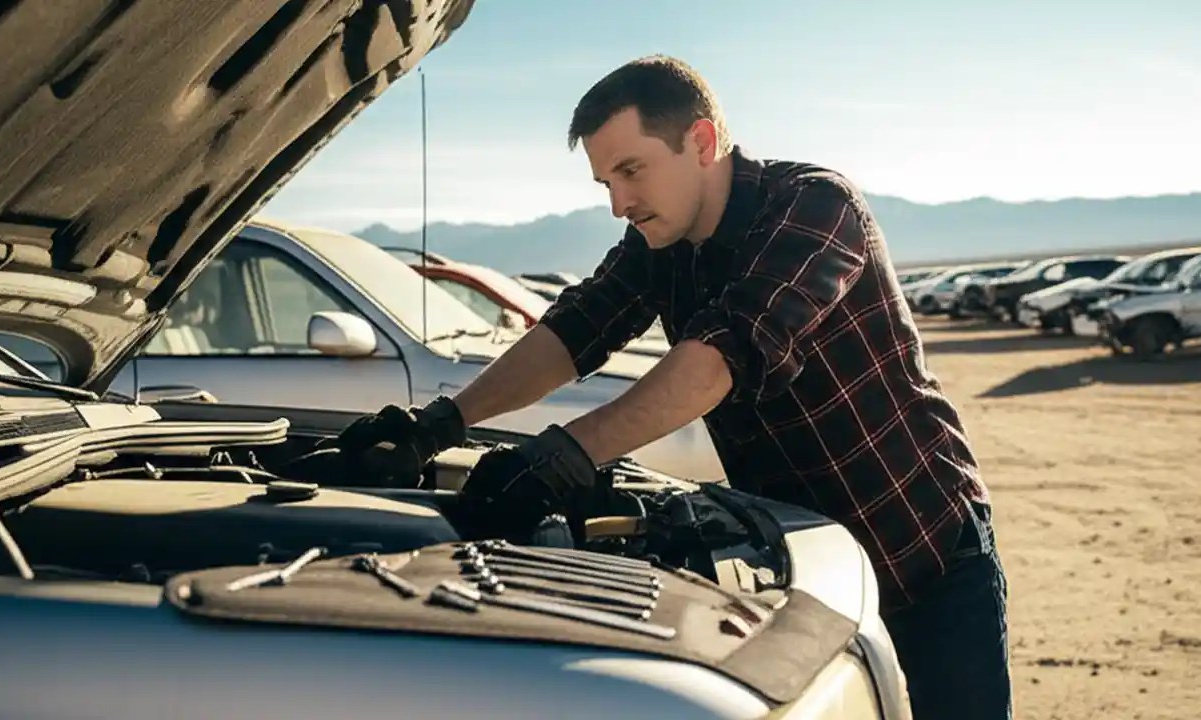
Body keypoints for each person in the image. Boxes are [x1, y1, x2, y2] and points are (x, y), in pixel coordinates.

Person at [316, 55, 1011, 718]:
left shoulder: (814, 209)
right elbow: (575, 330)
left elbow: (719, 358)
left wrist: (560, 457)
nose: (619, 201)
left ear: (701, 140)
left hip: (923, 552)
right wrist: (439, 423)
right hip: (812, 569)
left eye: (631, 170)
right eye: (604, 183)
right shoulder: (660, 247)